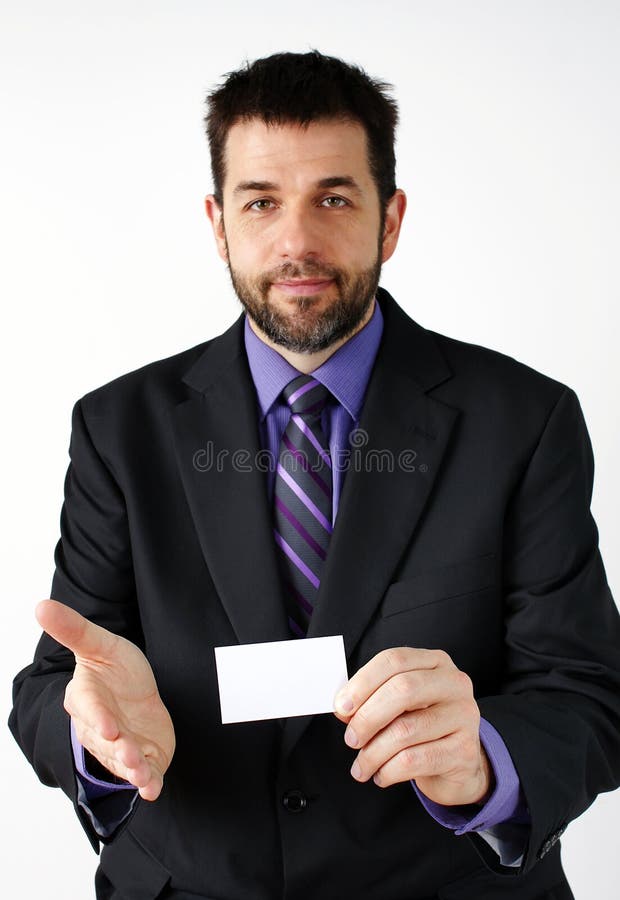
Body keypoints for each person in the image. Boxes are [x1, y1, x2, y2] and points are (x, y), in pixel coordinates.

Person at [9, 50, 620, 900]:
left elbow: (585, 694)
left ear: (390, 220)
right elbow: (54, 685)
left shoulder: (526, 421)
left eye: (333, 198)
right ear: (220, 225)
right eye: (262, 202)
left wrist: (487, 760)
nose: (297, 242)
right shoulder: (117, 429)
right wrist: (101, 745)